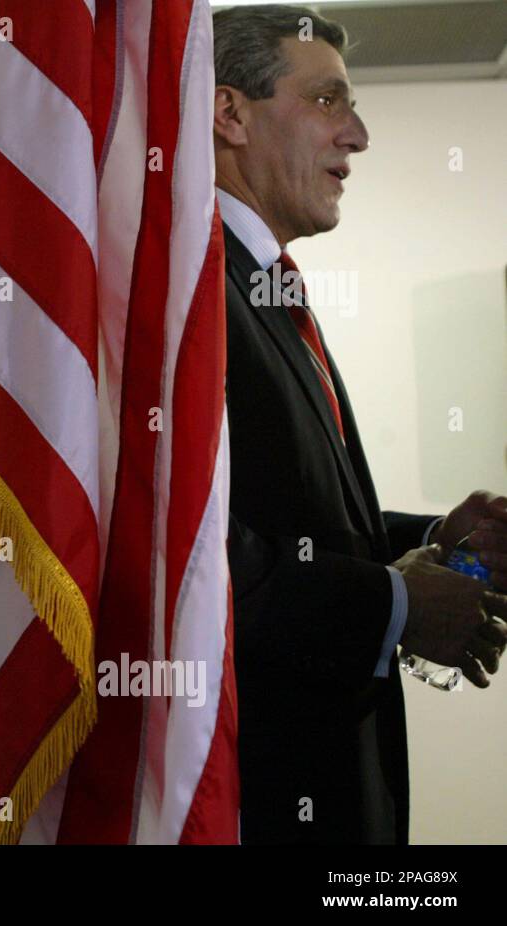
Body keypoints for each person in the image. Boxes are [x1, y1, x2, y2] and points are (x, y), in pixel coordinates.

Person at [213, 4, 507, 844]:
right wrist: (397, 605)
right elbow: (199, 566)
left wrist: (432, 535)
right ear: (229, 114)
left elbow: (294, 523)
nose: (359, 135)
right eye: (329, 102)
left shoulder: (264, 285)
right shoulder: (194, 292)